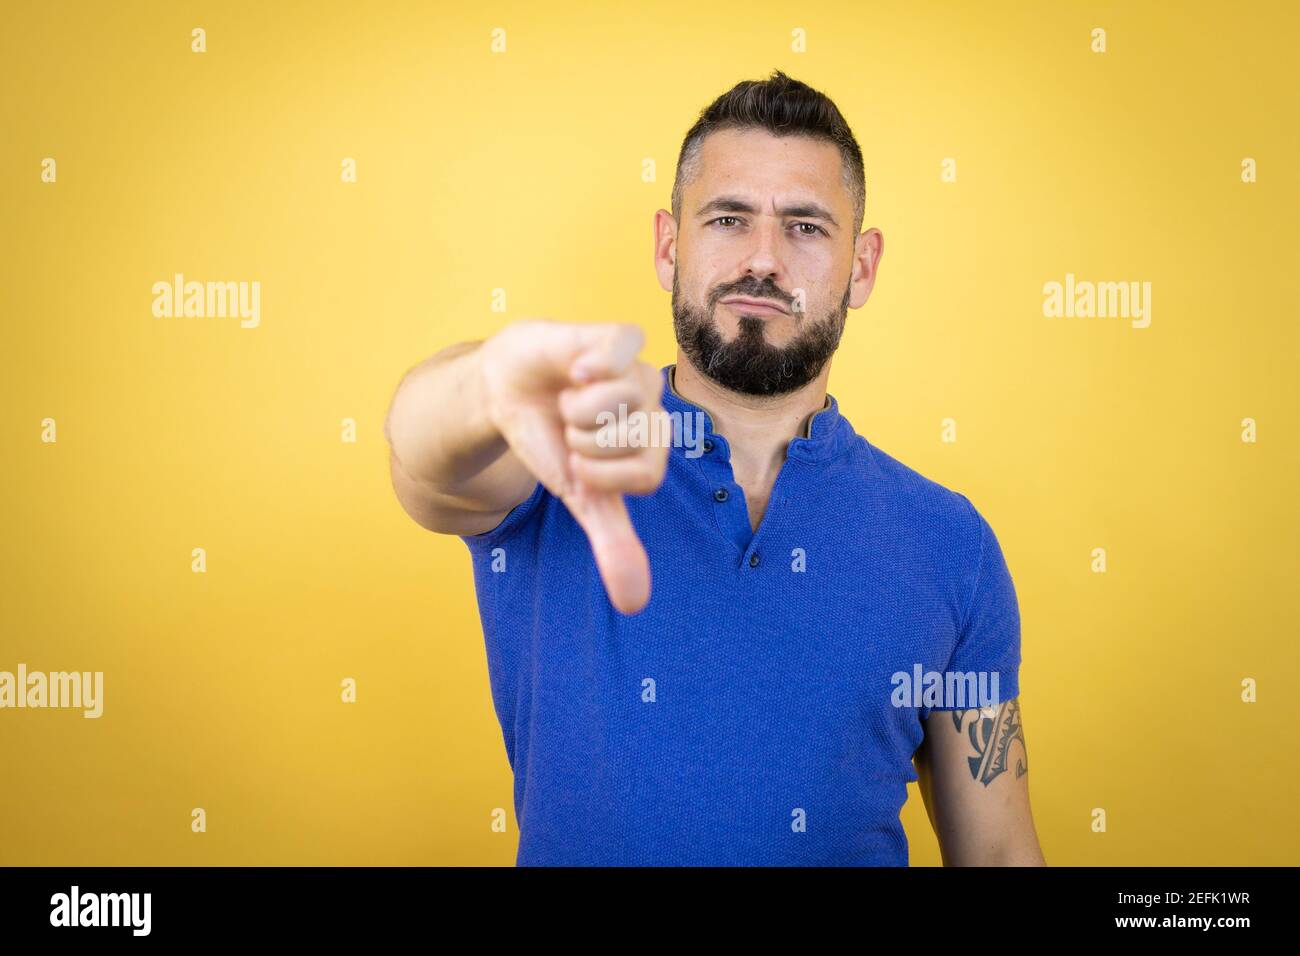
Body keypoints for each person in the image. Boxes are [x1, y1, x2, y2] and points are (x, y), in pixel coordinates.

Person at [384, 70, 1045, 866]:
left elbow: (1000, 852)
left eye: (805, 227)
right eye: (729, 219)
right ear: (670, 246)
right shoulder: (551, 466)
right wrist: (489, 383)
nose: (762, 260)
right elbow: (421, 463)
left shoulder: (953, 545)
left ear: (861, 267)